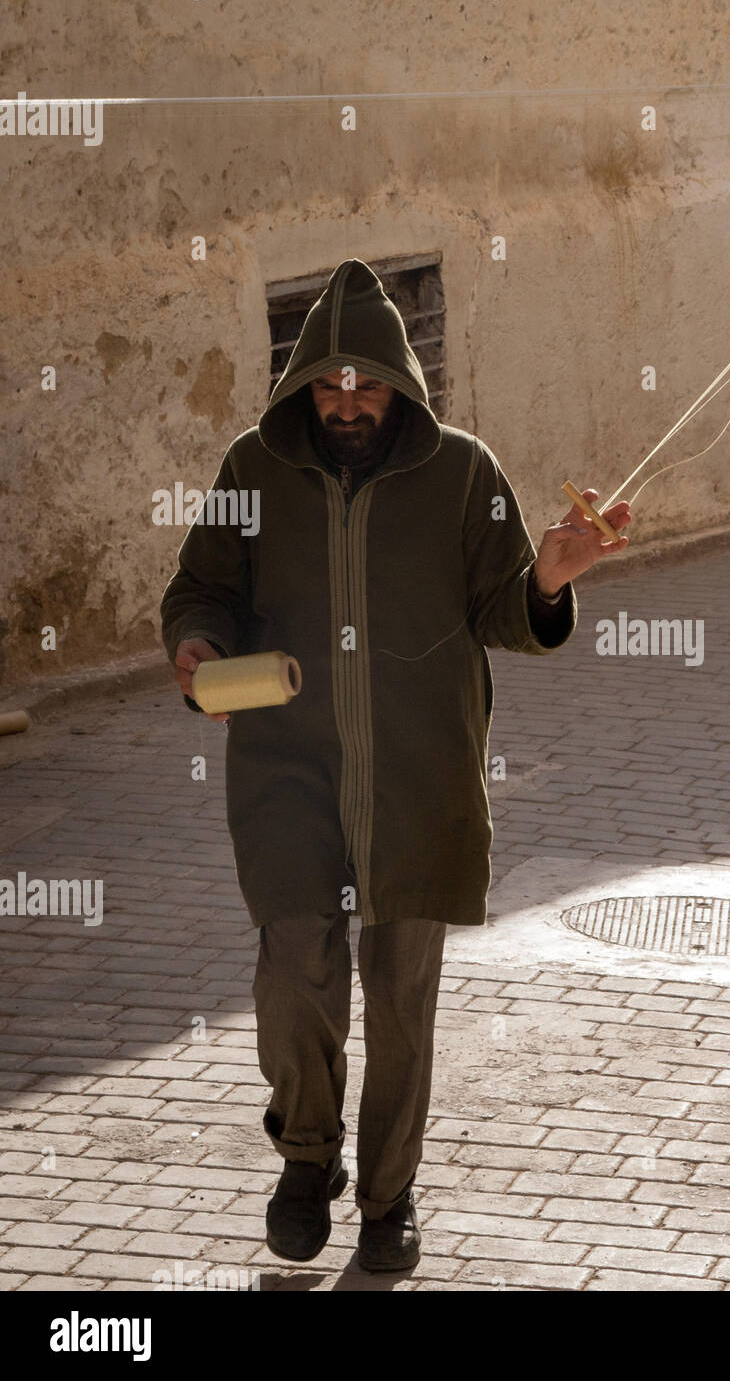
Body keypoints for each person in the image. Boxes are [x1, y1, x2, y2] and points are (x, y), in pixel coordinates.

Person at [160, 257, 630, 1271]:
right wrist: (198, 648)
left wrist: (546, 577)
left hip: (420, 782)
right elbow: (201, 586)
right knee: (296, 975)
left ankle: (388, 1196)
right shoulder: (254, 467)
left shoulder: (462, 471)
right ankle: (304, 1158)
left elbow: (505, 609)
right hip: (287, 774)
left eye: (365, 383)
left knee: (401, 1000)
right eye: (326, 384)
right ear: (301, 385)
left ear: (402, 383)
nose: (344, 402)